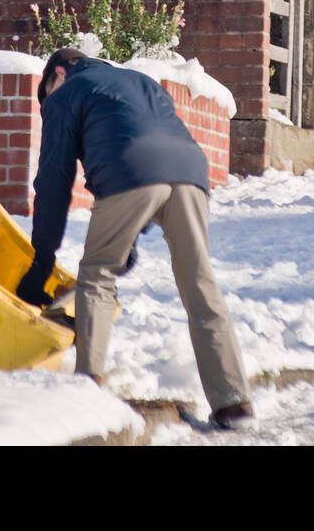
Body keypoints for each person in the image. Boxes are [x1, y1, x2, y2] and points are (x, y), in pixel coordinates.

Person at [16, 47, 253, 430]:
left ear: (58, 72)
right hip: (191, 172)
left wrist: (42, 259)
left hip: (130, 172)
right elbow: (151, 147)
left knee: (96, 275)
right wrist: (131, 233)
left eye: (46, 93)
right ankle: (233, 402)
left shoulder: (66, 94)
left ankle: (87, 386)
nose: (48, 104)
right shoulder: (140, 81)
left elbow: (54, 181)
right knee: (199, 282)